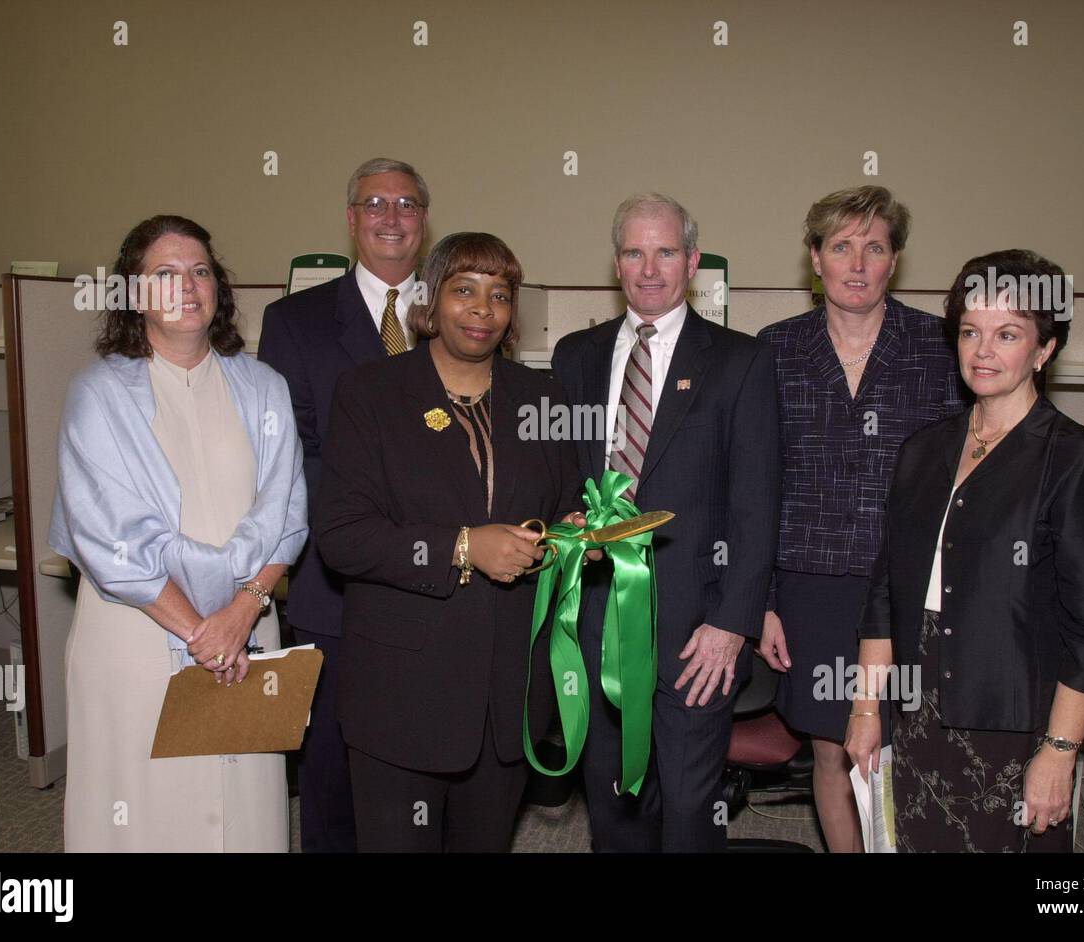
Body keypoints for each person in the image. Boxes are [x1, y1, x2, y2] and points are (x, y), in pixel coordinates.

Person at [847, 249, 1084, 852]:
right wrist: (868, 709)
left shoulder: (1080, 461)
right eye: (971, 332)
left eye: (1008, 334)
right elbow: (885, 589)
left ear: (1044, 348)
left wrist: (1058, 755)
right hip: (916, 699)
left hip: (1013, 718)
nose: (983, 351)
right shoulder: (924, 450)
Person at [315, 232, 581, 852]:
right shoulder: (369, 394)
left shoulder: (544, 398)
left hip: (509, 691)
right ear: (431, 303)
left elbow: (566, 507)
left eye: (499, 295)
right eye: (464, 291)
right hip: (402, 692)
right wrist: (463, 546)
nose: (483, 309)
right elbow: (342, 537)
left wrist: (578, 541)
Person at [49, 215, 308, 852]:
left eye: (199, 272)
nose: (185, 286)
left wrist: (240, 615)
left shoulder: (264, 388)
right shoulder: (98, 396)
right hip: (138, 630)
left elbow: (286, 515)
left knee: (245, 807)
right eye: (163, 274)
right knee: (145, 810)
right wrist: (202, 632)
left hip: (247, 622)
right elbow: (113, 542)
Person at [552, 193, 779, 852]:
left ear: (693, 261)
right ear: (616, 262)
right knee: (614, 807)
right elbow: (564, 479)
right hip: (594, 625)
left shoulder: (740, 361)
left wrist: (734, 623)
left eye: (666, 252)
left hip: (696, 634)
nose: (650, 269)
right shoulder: (576, 356)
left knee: (686, 811)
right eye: (634, 252)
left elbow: (757, 503)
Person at [756, 186, 964, 852]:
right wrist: (762, 601)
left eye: (873, 248)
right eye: (840, 246)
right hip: (809, 588)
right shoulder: (773, 351)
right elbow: (753, 487)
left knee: (901, 757)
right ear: (814, 259)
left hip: (910, 590)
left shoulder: (939, 348)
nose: (856, 262)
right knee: (834, 756)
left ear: (893, 261)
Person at [257, 157, 429, 852]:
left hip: (441, 580)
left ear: (425, 220)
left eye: (407, 204)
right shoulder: (295, 320)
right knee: (331, 765)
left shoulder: (462, 312)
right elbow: (289, 455)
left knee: (426, 761)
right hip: (338, 583)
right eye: (375, 203)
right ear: (352, 219)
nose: (392, 217)